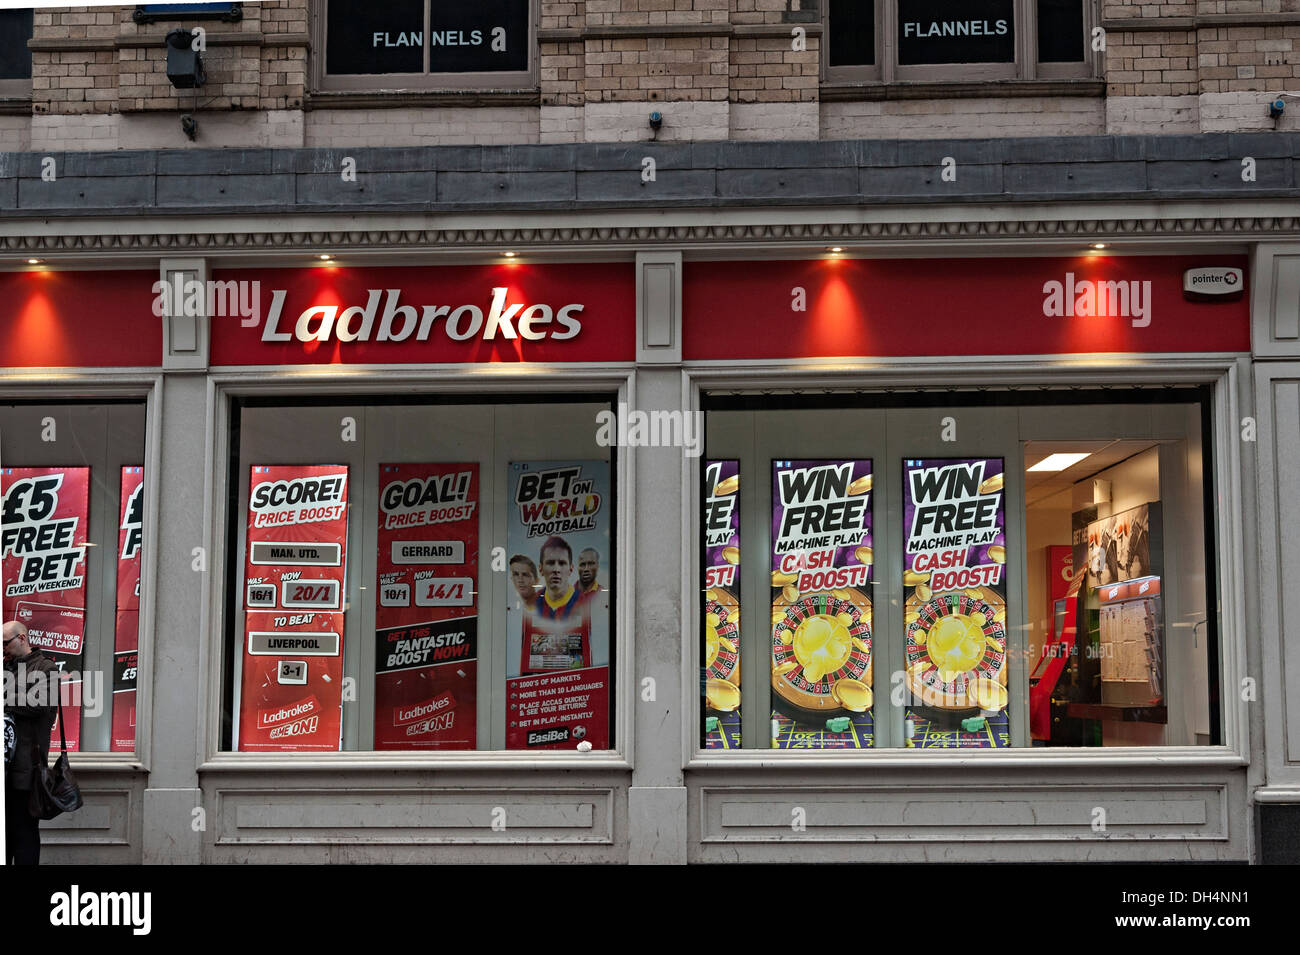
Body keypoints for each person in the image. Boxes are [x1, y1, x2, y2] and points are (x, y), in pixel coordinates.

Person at [4, 620, 59, 865]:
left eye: (6, 643)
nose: (2, 648)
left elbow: (38, 705)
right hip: (5, 767)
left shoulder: (46, 668)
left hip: (26, 768)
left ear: (22, 638)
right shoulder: (8, 666)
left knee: (24, 833)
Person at [520, 536, 591, 675]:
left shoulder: (585, 604)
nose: (556, 569)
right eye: (551, 563)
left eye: (562, 563)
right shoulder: (531, 605)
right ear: (540, 569)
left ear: (571, 569)